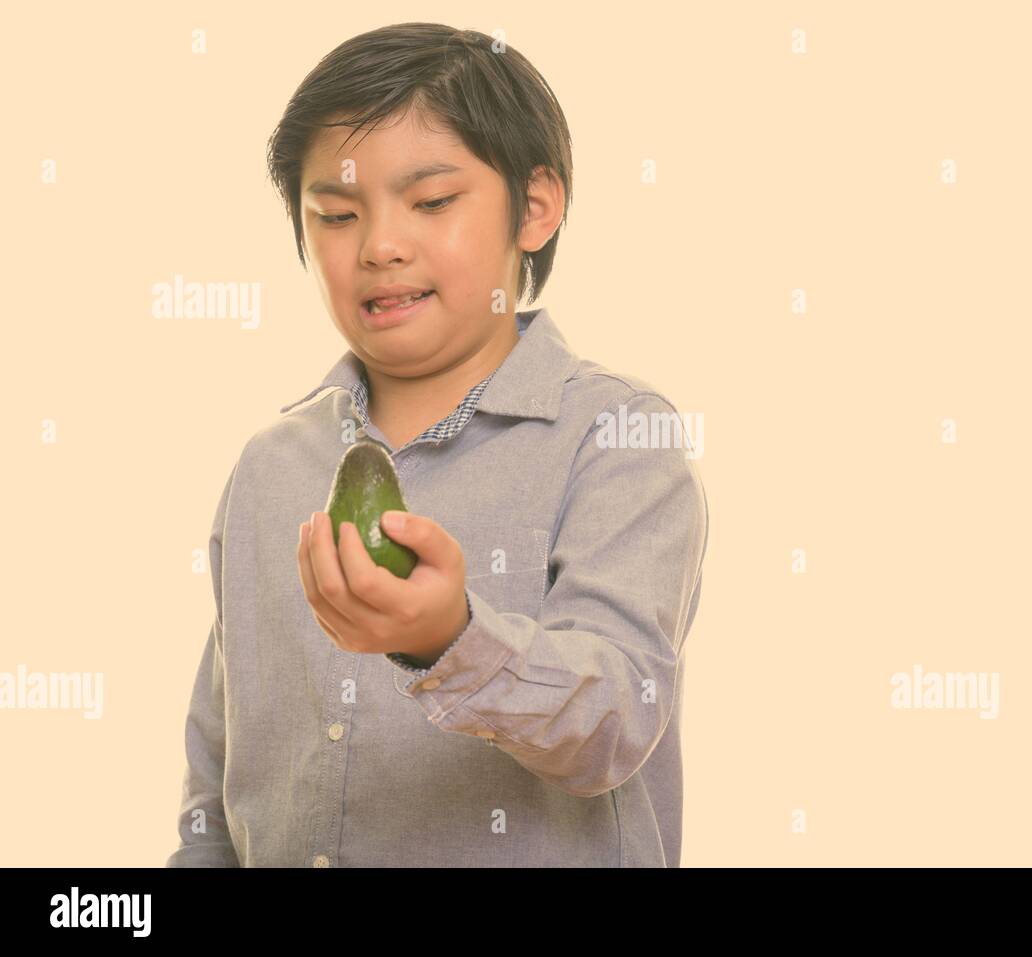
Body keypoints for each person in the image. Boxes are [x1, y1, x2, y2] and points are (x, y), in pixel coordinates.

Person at [166, 23, 708, 868]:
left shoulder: (618, 439)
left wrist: (451, 637)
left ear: (535, 207)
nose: (380, 245)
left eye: (431, 202)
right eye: (338, 215)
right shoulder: (269, 469)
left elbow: (615, 719)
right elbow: (218, 779)